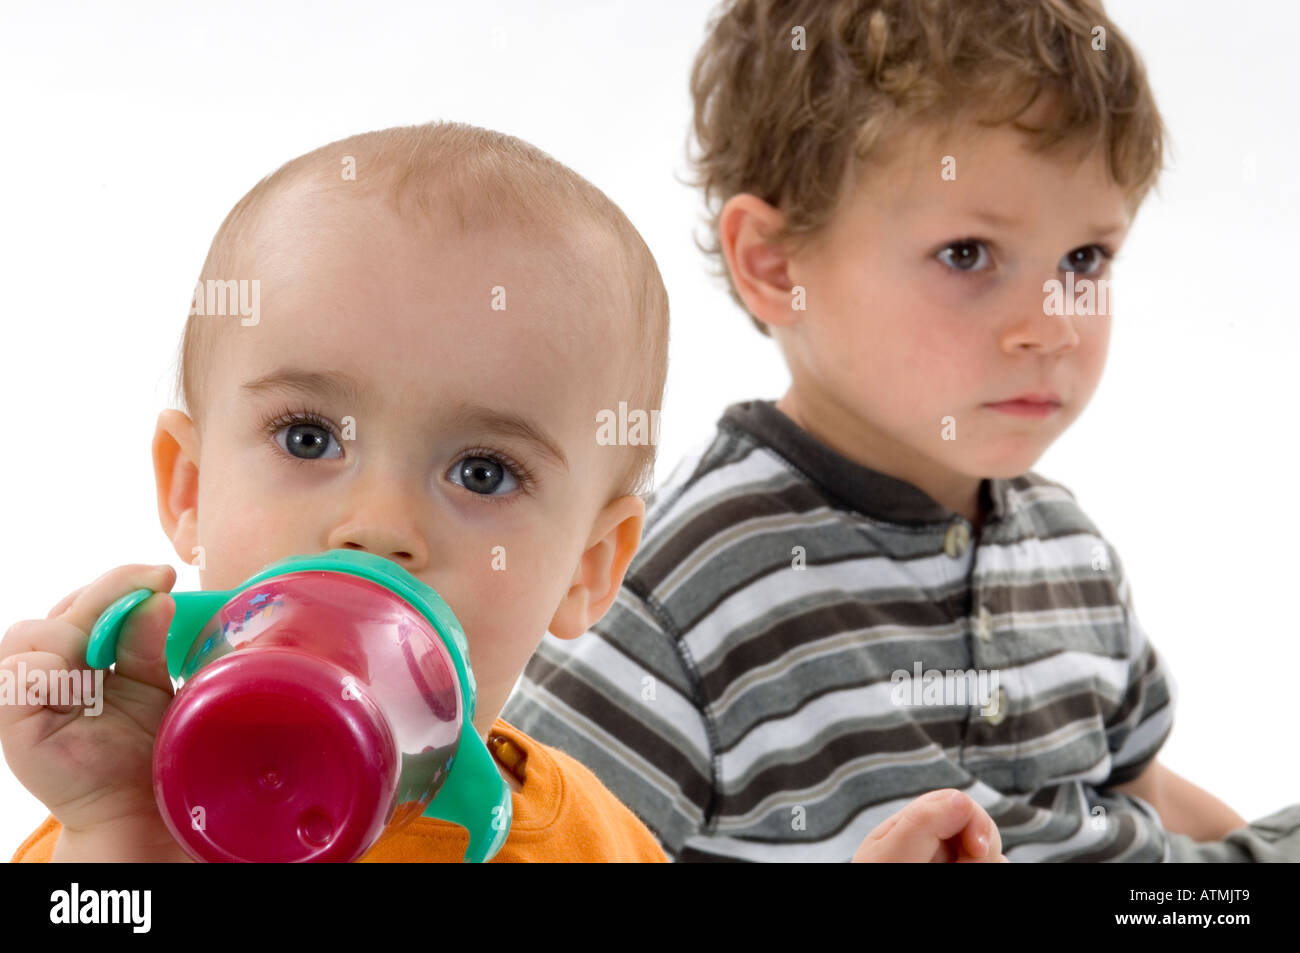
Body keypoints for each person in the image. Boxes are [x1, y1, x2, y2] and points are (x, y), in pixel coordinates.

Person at [502, 0, 1300, 861]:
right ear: (775, 265)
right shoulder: (679, 588)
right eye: (968, 254)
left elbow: (1140, 791)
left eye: (1084, 259)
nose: (1053, 325)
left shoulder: (1069, 548)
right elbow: (554, 843)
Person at [4, 120, 673, 862]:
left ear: (588, 566)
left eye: (484, 472)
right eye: (308, 438)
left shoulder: (598, 848)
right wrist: (121, 837)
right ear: (191, 490)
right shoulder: (123, 818)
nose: (380, 527)